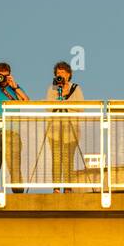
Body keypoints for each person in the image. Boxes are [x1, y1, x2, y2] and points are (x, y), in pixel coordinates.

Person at [0, 62, 29, 193]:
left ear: (10, 76)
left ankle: (18, 195)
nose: (2, 79)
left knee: (14, 167)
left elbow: (27, 103)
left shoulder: (15, 89)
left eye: (5, 76)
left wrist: (15, 87)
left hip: (12, 132)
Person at [44, 61, 84, 192]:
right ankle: (56, 188)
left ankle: (67, 187)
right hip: (54, 129)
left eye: (62, 73)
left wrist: (66, 98)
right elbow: (48, 108)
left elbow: (81, 108)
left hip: (71, 130)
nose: (60, 75)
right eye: (58, 73)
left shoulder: (76, 88)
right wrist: (58, 96)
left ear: (69, 74)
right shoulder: (52, 89)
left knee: (68, 159)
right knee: (56, 159)